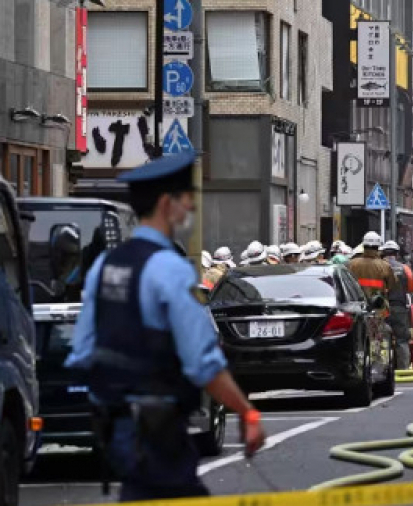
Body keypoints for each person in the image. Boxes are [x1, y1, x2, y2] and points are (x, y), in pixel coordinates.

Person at [64, 151, 265, 502]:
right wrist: (246, 411)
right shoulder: (169, 270)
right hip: (160, 429)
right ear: (165, 203)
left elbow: (82, 352)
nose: (189, 209)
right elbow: (202, 361)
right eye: (185, 199)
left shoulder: (105, 267)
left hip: (116, 431)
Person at [380, 240, 413, 370]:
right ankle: (403, 370)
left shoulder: (380, 267)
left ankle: (382, 369)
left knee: (381, 341)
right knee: (402, 340)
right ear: (396, 253)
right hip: (400, 308)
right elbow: (412, 288)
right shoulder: (405, 268)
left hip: (382, 309)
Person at [347, 232, 397, 302]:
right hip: (378, 306)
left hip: (357, 306)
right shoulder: (385, 266)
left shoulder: (351, 264)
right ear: (378, 247)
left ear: (363, 246)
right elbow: (391, 285)